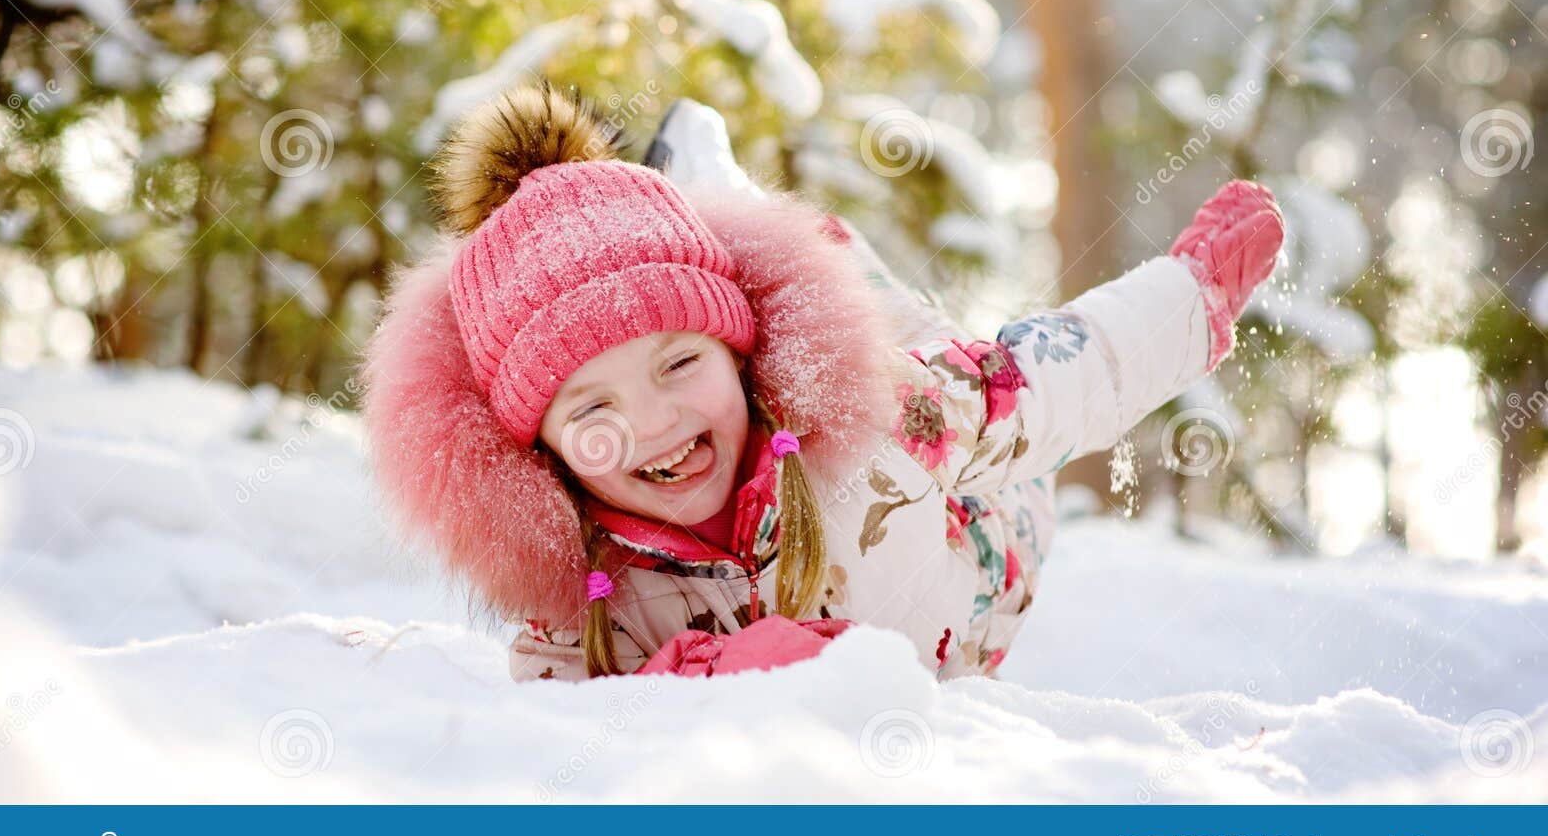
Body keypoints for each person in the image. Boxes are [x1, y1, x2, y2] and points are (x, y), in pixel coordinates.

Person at [359, 82, 1284, 681]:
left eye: (680, 362)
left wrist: (1190, 296)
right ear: (543, 450)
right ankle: (721, 205)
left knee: (874, 307)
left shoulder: (896, 417)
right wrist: (689, 684)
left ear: (738, 351)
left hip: (988, 505)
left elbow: (1046, 372)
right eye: (592, 409)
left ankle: (727, 196)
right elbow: (561, 769)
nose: (654, 423)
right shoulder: (583, 603)